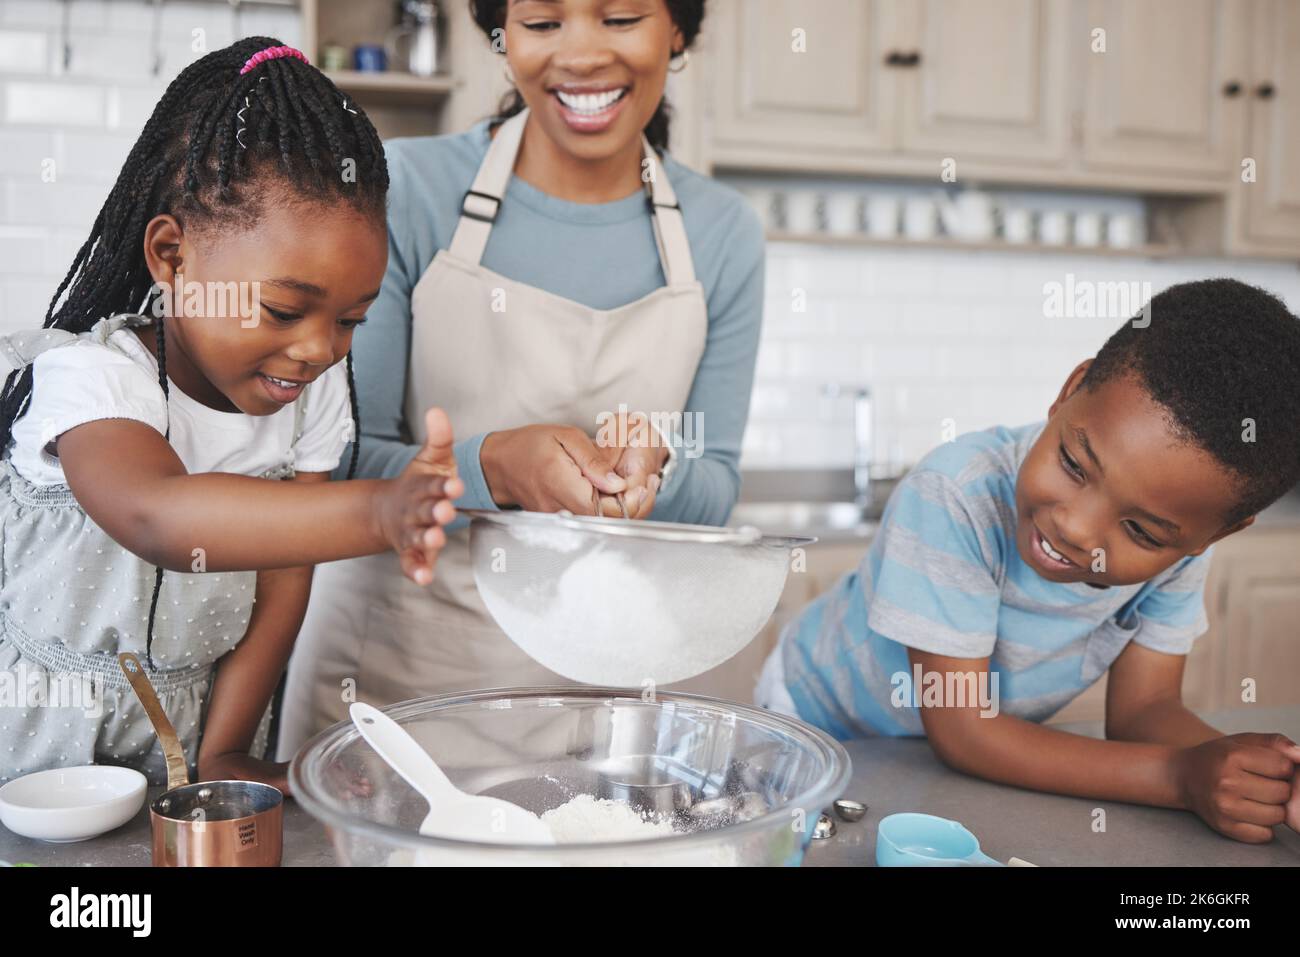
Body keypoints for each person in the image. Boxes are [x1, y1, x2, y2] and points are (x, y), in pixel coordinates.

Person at [279, 0, 765, 754]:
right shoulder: (407, 187)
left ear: (677, 29)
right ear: (503, 40)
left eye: (620, 17)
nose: (580, 55)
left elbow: (718, 486)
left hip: (606, 697)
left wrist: (654, 473)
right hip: (403, 683)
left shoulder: (722, 232)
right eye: (542, 24)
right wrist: (494, 466)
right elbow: (338, 461)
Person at [0, 39, 460, 793]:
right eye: (282, 309)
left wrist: (225, 751)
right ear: (172, 257)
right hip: (36, 744)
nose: (317, 349)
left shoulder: (308, 403)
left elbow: (285, 578)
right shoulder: (93, 382)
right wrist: (382, 508)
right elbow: (164, 519)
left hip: (180, 744)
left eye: (351, 320)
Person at [758, 279, 1300, 843]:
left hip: (949, 755)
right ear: (1069, 390)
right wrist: (1178, 777)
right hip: (815, 721)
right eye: (1072, 463)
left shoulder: (1178, 554)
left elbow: (1144, 712)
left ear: (1213, 536)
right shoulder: (957, 493)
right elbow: (966, 731)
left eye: (1139, 530)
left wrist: (1263, 774)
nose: (1075, 528)